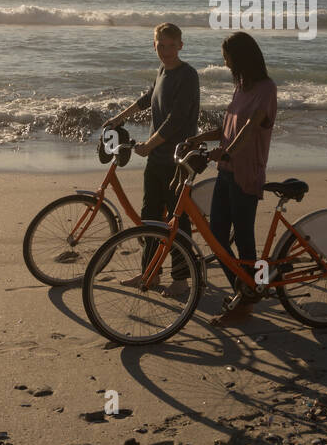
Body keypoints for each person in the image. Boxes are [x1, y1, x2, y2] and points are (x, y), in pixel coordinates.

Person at [103, 22, 200, 292]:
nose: (166, 51)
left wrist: (149, 143)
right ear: (153, 45)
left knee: (176, 222)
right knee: (150, 218)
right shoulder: (161, 71)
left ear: (181, 45)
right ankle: (150, 274)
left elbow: (176, 120)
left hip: (178, 160)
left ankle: (180, 279)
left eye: (171, 45)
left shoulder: (188, 75)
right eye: (161, 45)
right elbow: (148, 98)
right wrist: (118, 118)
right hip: (156, 158)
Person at [186, 31, 277, 320]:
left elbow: (250, 129)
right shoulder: (241, 87)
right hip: (226, 172)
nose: (224, 63)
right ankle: (244, 291)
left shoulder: (266, 89)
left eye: (227, 58)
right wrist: (200, 138)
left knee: (244, 239)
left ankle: (246, 300)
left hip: (246, 173)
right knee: (217, 237)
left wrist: (227, 153)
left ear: (240, 58)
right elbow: (228, 130)